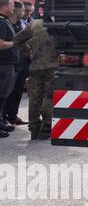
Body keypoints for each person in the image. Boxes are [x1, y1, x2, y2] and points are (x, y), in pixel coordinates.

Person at [14, 10, 56, 139]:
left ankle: (34, 129)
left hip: (35, 66)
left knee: (34, 98)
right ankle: (46, 127)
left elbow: (17, 39)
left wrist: (28, 53)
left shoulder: (34, 24)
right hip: (53, 66)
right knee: (49, 97)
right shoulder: (60, 23)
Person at [5, 0, 30, 125]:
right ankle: (3, 117)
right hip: (9, 63)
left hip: (22, 62)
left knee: (18, 91)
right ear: (17, 10)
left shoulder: (21, 24)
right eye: (25, 10)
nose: (26, 13)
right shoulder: (6, 23)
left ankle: (12, 115)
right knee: (6, 92)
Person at [0, 0, 17, 138]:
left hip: (7, 64)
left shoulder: (4, 20)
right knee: (0, 96)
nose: (14, 7)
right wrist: (15, 43)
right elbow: (0, 44)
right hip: (3, 64)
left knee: (3, 96)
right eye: (12, 5)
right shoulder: (1, 22)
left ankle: (0, 122)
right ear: (4, 6)